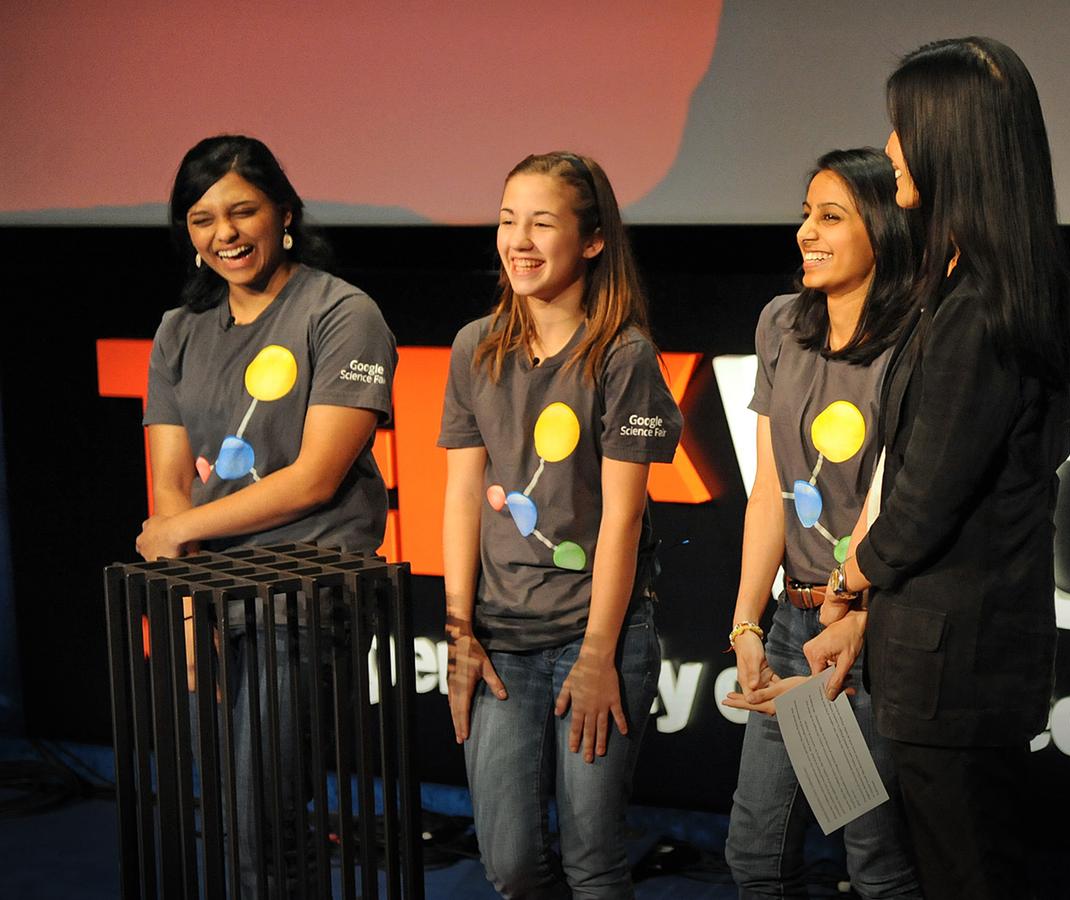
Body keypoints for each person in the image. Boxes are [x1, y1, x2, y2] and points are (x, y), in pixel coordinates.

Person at [795, 37, 1070, 900]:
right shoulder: (961, 284)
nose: (890, 147)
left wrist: (849, 580)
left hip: (957, 669)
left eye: (904, 126)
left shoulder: (983, 306)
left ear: (951, 138)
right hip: (936, 656)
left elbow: (924, 499)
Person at [137, 134, 397, 897]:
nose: (224, 233)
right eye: (202, 219)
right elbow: (170, 482)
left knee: (263, 823)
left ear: (284, 212)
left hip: (307, 595)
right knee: (229, 817)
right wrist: (190, 612)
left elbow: (316, 478)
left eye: (242, 211)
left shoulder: (341, 312)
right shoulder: (178, 330)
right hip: (212, 598)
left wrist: (178, 531)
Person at [438, 151, 682, 899]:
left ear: (593, 239)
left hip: (596, 634)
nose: (519, 240)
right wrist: (459, 633)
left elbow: (623, 519)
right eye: (508, 221)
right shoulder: (475, 345)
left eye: (542, 224)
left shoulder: (624, 355)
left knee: (593, 862)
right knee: (510, 864)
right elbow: (460, 495)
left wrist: (600, 652)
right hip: (498, 641)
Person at [721, 149, 923, 899]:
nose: (806, 231)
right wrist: (747, 624)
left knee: (876, 864)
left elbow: (907, 501)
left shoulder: (919, 337)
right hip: (794, 627)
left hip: (870, 634)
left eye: (830, 216)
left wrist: (857, 614)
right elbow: (770, 489)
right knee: (755, 857)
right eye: (806, 213)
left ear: (883, 229)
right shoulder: (783, 324)